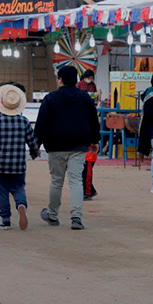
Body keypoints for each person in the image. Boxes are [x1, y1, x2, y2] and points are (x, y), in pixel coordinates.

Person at [34, 65, 100, 230]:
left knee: (56, 181)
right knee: (76, 181)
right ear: (76, 80)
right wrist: (94, 140)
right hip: (78, 146)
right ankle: (76, 217)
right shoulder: (84, 97)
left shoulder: (50, 98)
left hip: (55, 145)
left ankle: (52, 215)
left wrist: (36, 143)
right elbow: (93, 120)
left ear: (60, 80)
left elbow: (42, 123)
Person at [0, 85, 40, 230]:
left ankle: (5, 220)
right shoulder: (24, 122)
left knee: (2, 192)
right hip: (18, 165)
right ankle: (21, 205)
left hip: (1, 165)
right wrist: (34, 153)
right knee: (19, 188)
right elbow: (32, 141)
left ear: (2, 104)